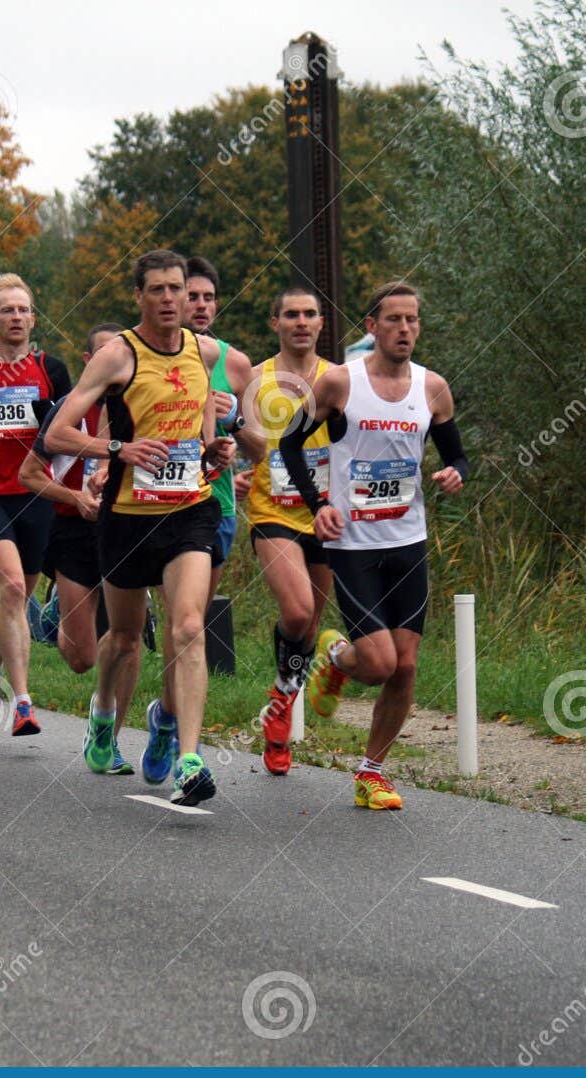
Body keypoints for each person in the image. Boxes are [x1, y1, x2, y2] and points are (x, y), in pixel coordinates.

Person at [46, 250, 236, 806]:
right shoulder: (116, 356)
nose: (170, 299)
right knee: (126, 639)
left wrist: (214, 451)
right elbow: (57, 434)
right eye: (157, 290)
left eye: (177, 288)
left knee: (186, 628)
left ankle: (189, 759)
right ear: (139, 296)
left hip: (191, 510)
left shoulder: (204, 353)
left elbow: (201, 441)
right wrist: (117, 448)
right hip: (128, 517)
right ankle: (104, 717)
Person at [280, 281, 470, 811]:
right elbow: (290, 444)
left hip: (407, 540)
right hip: (352, 544)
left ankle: (371, 772)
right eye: (394, 320)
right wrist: (318, 502)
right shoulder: (340, 383)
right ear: (372, 326)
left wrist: (455, 472)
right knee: (381, 663)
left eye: (413, 320)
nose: (405, 329)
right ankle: (337, 657)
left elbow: (459, 455)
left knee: (406, 666)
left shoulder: (433, 388)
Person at [18, 322, 135, 773]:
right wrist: (76, 498)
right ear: (90, 362)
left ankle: (110, 736)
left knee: (127, 639)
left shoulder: (139, 405)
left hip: (127, 527)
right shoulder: (68, 410)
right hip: (72, 531)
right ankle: (53, 617)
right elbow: (28, 474)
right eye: (103, 354)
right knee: (82, 658)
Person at [0, 273, 72, 737]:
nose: (16, 317)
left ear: (33, 318)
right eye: (7, 310)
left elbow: (69, 430)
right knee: (10, 589)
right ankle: (23, 702)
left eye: (24, 310)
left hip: (38, 493)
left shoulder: (53, 368)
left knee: (19, 596)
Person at [236, 287, 336, 775]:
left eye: (310, 315)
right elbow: (228, 430)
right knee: (296, 613)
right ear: (275, 322)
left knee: (312, 623)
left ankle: (282, 702)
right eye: (291, 315)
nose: (301, 322)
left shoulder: (338, 380)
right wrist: (226, 462)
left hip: (327, 513)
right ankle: (283, 698)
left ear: (322, 324)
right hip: (272, 510)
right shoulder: (255, 379)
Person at [182, 257, 251, 600]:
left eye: (208, 297)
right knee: (182, 615)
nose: (201, 305)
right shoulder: (144, 356)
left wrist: (235, 419)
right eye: (192, 296)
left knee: (196, 615)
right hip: (162, 497)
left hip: (216, 500)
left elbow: (260, 447)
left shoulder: (235, 363)